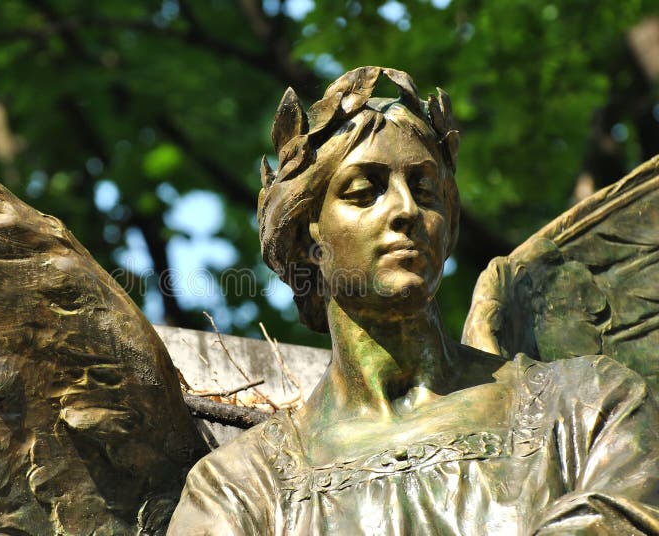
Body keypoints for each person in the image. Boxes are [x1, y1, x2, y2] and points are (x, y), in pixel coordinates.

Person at [167, 67, 659, 535]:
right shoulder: (240, 489)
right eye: (365, 191)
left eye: (424, 189)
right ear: (304, 240)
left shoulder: (585, 406)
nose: (406, 210)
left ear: (450, 225)